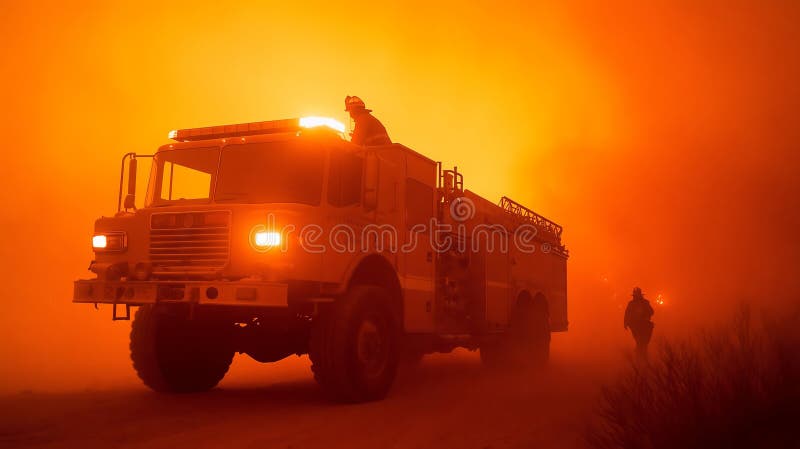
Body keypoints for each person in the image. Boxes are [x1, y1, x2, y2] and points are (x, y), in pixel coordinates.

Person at [624, 287, 655, 359]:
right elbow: (627, 314)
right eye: (634, 295)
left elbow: (652, 312)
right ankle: (640, 357)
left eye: (636, 295)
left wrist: (645, 315)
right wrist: (625, 323)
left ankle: (642, 357)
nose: (635, 297)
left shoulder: (645, 303)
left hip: (645, 326)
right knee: (639, 342)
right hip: (635, 326)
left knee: (644, 343)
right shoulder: (631, 304)